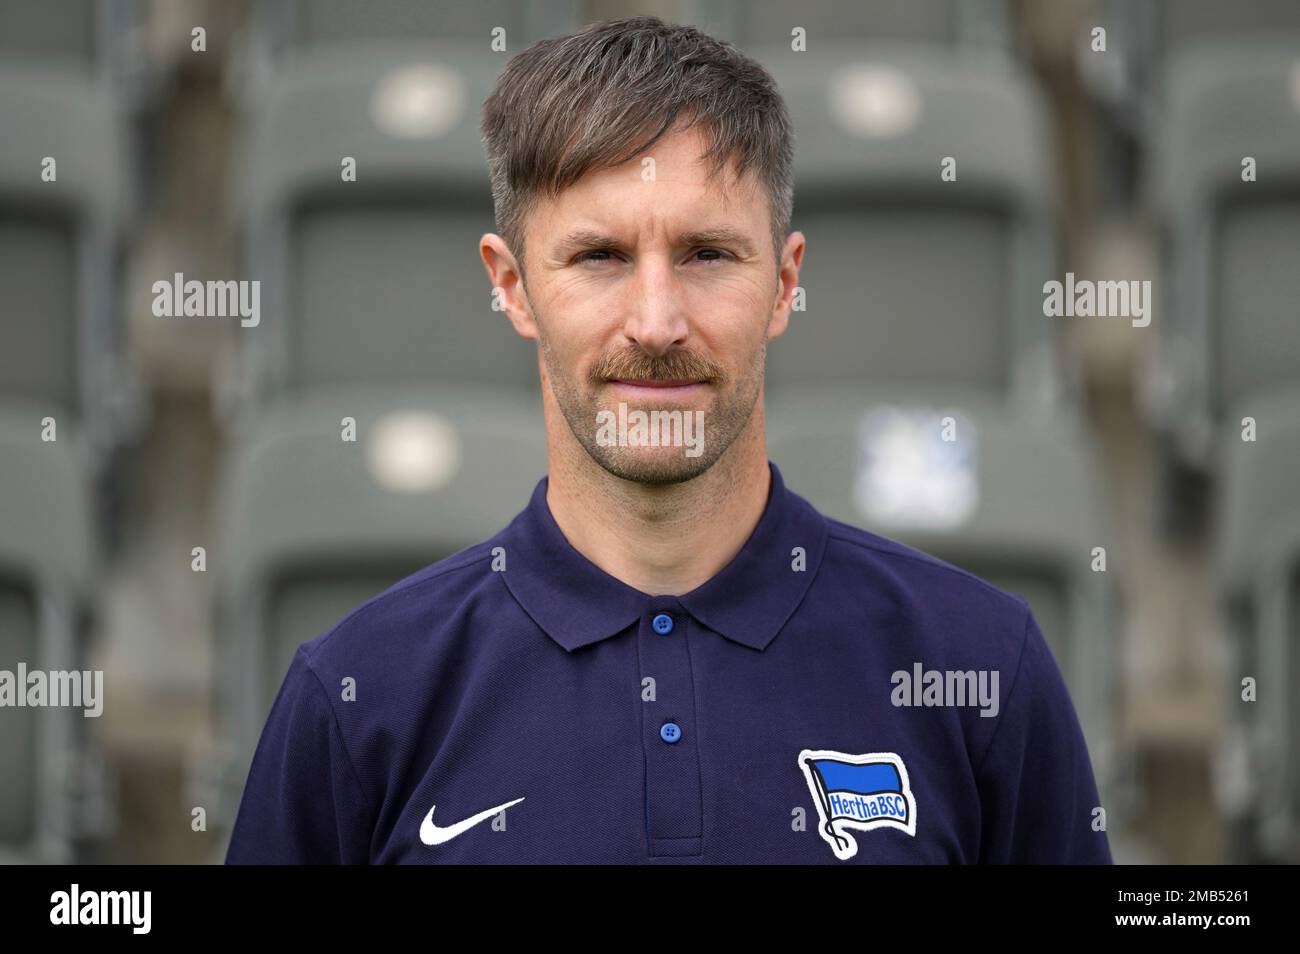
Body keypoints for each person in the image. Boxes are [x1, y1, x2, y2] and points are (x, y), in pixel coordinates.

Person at [225, 15, 1112, 864]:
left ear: (784, 282)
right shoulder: (356, 697)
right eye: (600, 257)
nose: (656, 323)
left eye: (708, 255)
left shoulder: (979, 667)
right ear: (513, 286)